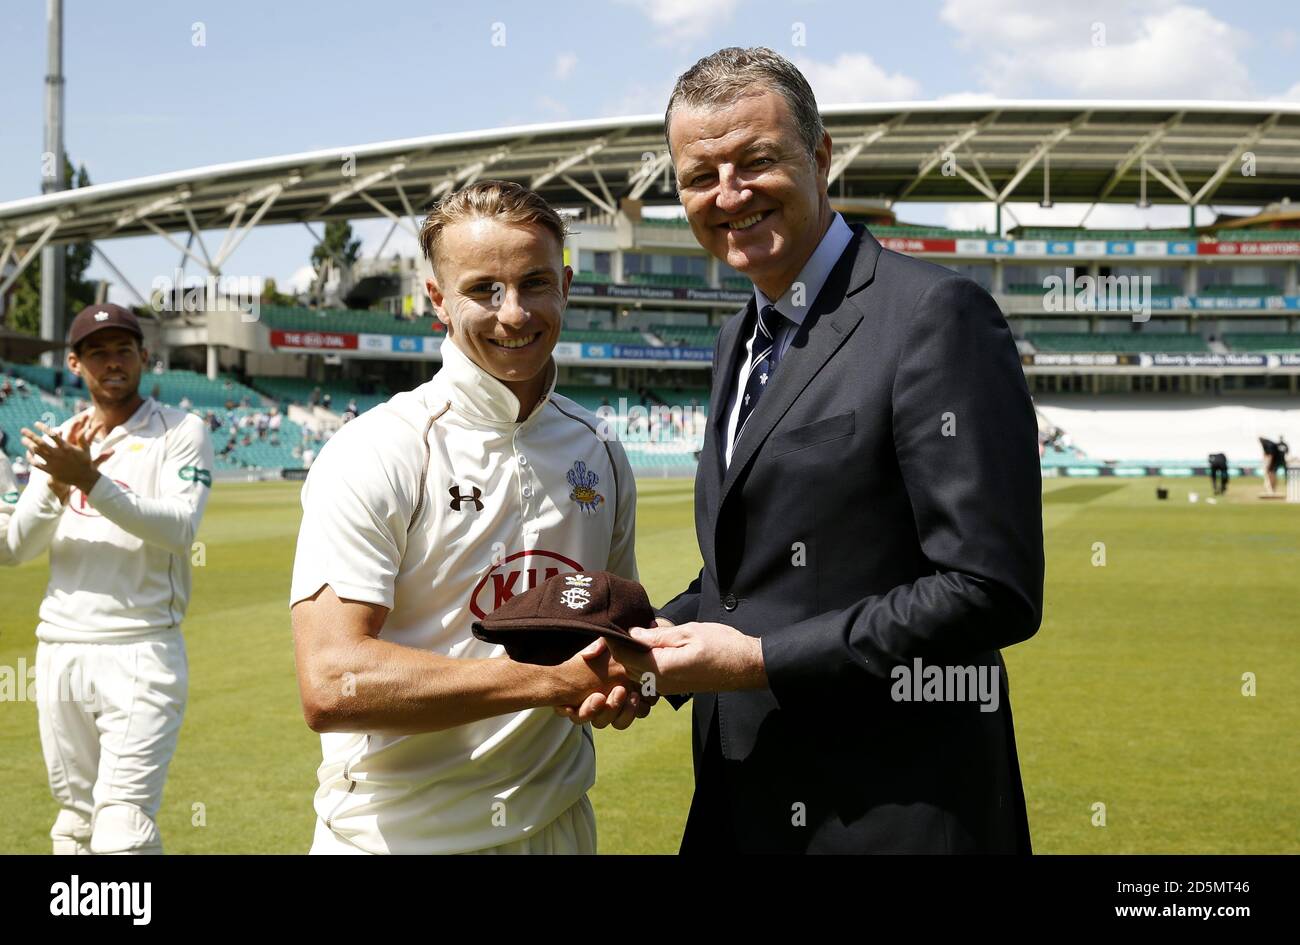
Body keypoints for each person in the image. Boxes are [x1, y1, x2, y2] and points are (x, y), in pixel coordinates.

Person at [596, 47, 1044, 854]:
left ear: (821, 156)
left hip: (893, 819)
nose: (728, 195)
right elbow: (747, 574)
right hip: (742, 807)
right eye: (700, 176)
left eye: (756, 161)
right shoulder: (738, 337)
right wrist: (651, 646)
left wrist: (762, 660)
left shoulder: (935, 317)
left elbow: (991, 588)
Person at [289, 180, 649, 855]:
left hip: (558, 826)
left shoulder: (599, 448)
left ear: (566, 284)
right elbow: (333, 681)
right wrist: (550, 683)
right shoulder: (378, 450)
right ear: (437, 301)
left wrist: (623, 682)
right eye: (484, 289)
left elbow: (614, 631)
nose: (513, 313)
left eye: (535, 283)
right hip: (397, 839)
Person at [3, 303, 214, 855]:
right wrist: (53, 488)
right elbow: (17, 547)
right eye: (97, 352)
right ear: (75, 363)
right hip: (60, 650)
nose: (112, 362)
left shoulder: (181, 430)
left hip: (140, 649)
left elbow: (179, 528)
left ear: (145, 356)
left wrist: (91, 482)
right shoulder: (60, 438)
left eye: (124, 350)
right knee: (74, 823)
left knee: (121, 827)